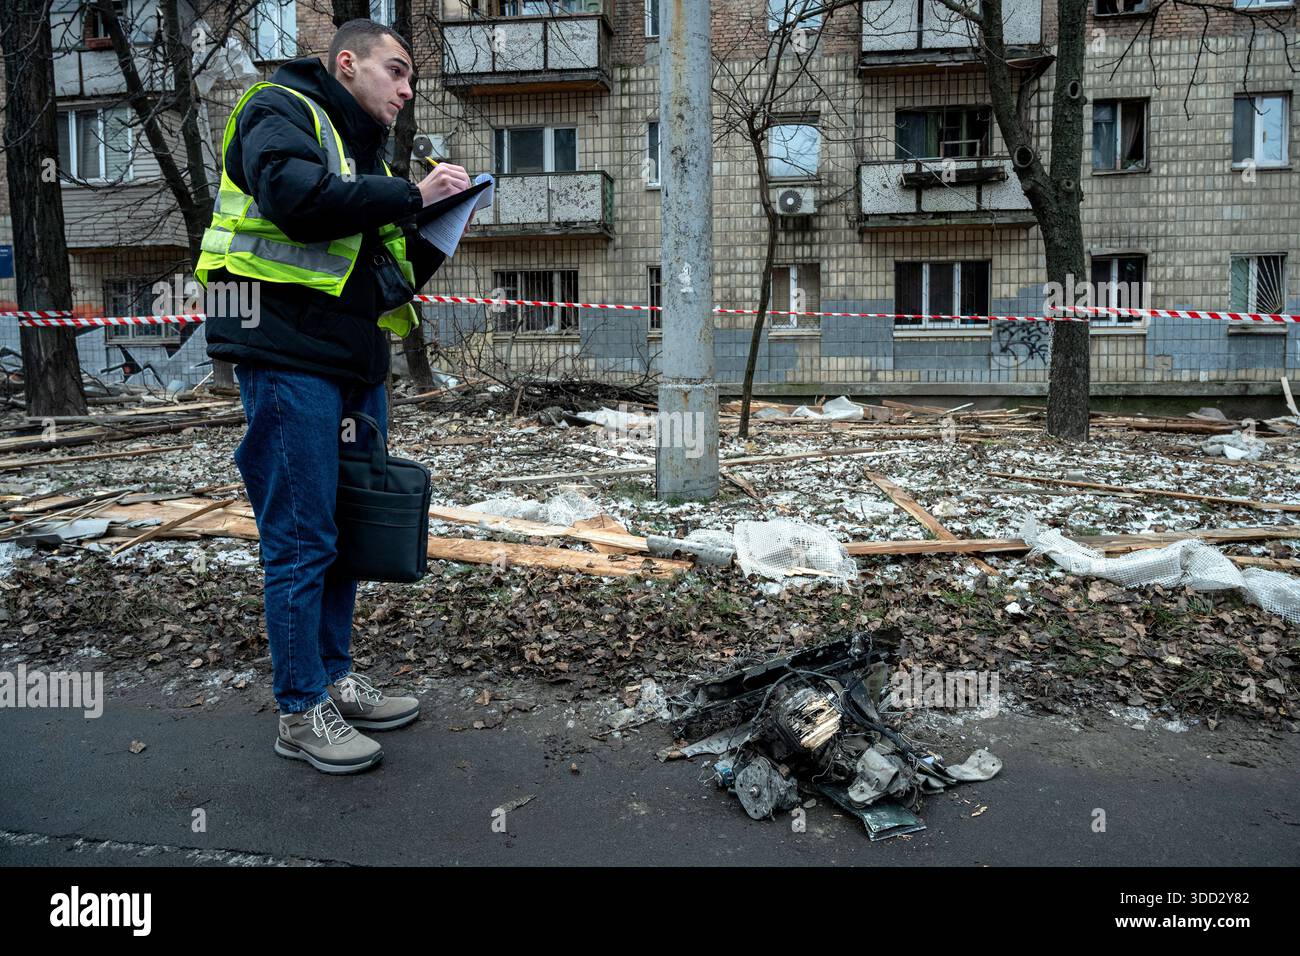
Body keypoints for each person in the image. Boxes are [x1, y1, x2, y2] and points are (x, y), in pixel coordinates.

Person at [195, 19, 473, 774]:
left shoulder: (361, 154)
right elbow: (293, 199)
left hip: (347, 362)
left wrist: (432, 220)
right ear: (347, 63)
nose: (407, 89)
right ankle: (299, 709)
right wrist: (408, 193)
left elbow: (383, 276)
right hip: (282, 353)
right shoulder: (276, 107)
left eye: (411, 78)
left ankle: (333, 679)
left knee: (341, 533)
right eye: (397, 70)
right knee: (301, 534)